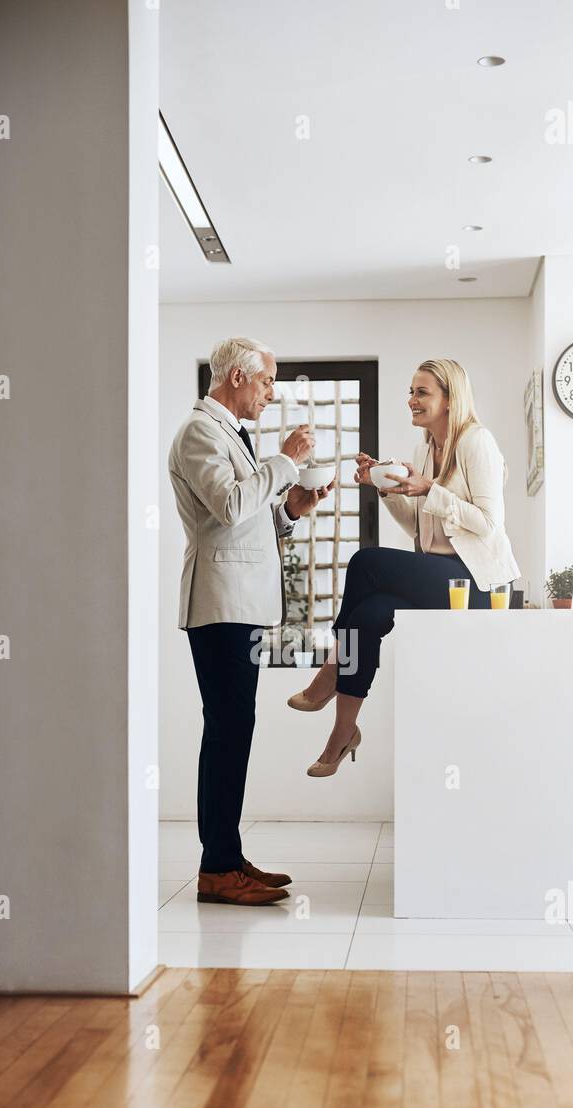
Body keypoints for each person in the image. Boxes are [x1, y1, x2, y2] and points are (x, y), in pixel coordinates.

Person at [288, 358, 520, 776]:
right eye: (410, 392)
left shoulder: (475, 441)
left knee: (365, 561)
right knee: (367, 615)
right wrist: (387, 488)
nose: (411, 400)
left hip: (477, 584)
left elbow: (488, 524)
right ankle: (344, 732)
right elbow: (420, 525)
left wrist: (429, 487)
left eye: (422, 392)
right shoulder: (424, 449)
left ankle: (332, 666)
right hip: (438, 575)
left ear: (450, 399)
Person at [169, 336, 333, 903]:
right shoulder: (198, 432)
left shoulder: (228, 434)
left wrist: (290, 510)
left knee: (234, 732)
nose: (271, 391)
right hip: (220, 607)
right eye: (266, 380)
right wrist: (285, 461)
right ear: (237, 377)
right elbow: (232, 506)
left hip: (240, 606)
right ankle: (217, 869)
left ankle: (228, 858)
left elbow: (244, 520)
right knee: (227, 732)